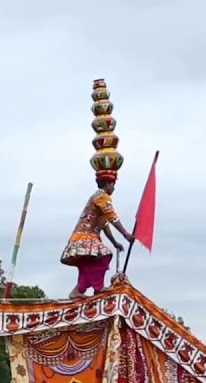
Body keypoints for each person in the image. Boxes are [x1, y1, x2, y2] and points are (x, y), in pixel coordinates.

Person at [61, 79, 134, 299]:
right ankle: (98, 289)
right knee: (103, 257)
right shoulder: (102, 197)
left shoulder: (98, 197)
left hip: (86, 238)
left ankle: (78, 291)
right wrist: (127, 234)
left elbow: (103, 226)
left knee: (94, 259)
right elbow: (112, 219)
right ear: (108, 182)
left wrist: (116, 241)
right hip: (85, 238)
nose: (114, 187)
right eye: (114, 183)